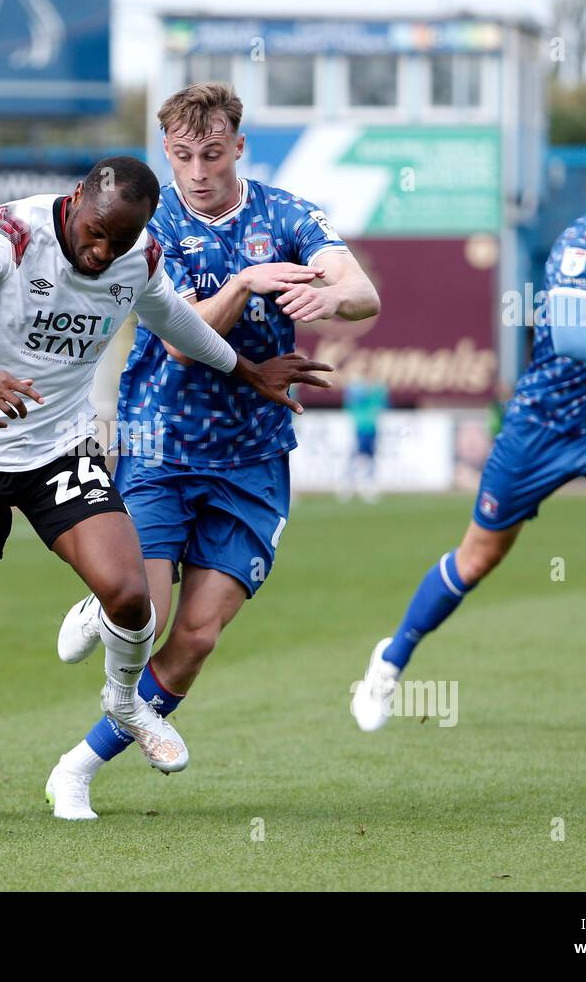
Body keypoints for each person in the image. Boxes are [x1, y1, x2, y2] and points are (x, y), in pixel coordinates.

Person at [0, 155, 332, 824]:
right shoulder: (7, 234)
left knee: (127, 594)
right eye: (96, 233)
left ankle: (125, 700)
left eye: (118, 241)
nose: (103, 251)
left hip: (58, 452)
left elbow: (176, 321)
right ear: (75, 202)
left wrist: (249, 369)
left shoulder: (137, 258)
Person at [46, 84, 380, 820]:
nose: (199, 170)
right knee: (150, 613)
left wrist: (333, 299)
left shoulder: (286, 213)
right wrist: (247, 283)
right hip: (160, 439)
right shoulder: (149, 220)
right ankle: (103, 605)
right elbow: (178, 337)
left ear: (238, 147)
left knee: (196, 636)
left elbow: (364, 292)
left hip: (255, 454)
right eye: (184, 155)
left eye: (214, 153)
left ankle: (76, 767)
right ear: (168, 151)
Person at [350, 145, 586, 726]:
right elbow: (574, 336)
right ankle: (390, 659)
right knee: (477, 560)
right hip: (538, 428)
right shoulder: (577, 251)